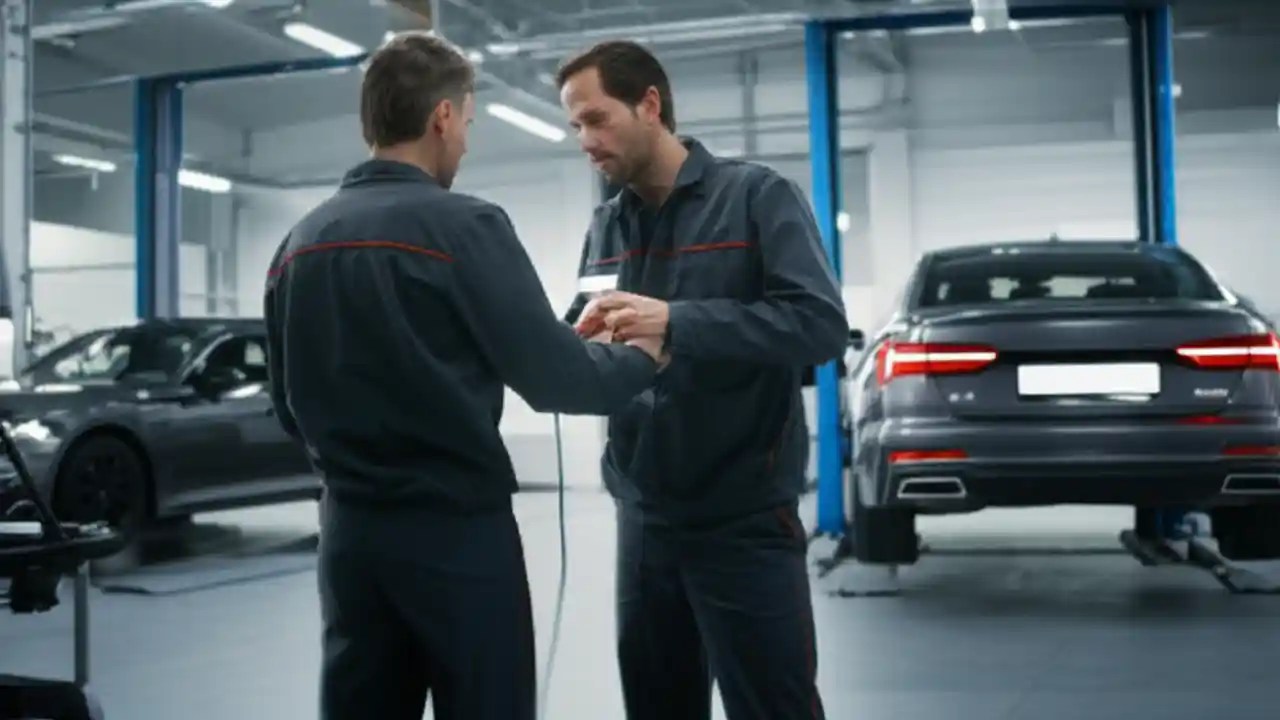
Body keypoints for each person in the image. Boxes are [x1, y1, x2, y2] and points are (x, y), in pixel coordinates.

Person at [263, 33, 665, 720]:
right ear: (443, 117)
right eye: (469, 124)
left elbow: (286, 406)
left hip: (349, 540)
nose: (466, 144)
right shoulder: (464, 225)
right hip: (455, 536)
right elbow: (558, 381)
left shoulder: (298, 242)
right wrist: (648, 354)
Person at [557, 41, 849, 720]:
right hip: (644, 518)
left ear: (650, 104)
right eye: (574, 126)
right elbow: (590, 325)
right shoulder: (606, 225)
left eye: (596, 119)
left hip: (742, 517)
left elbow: (818, 326)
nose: (585, 142)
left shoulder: (756, 198)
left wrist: (679, 322)